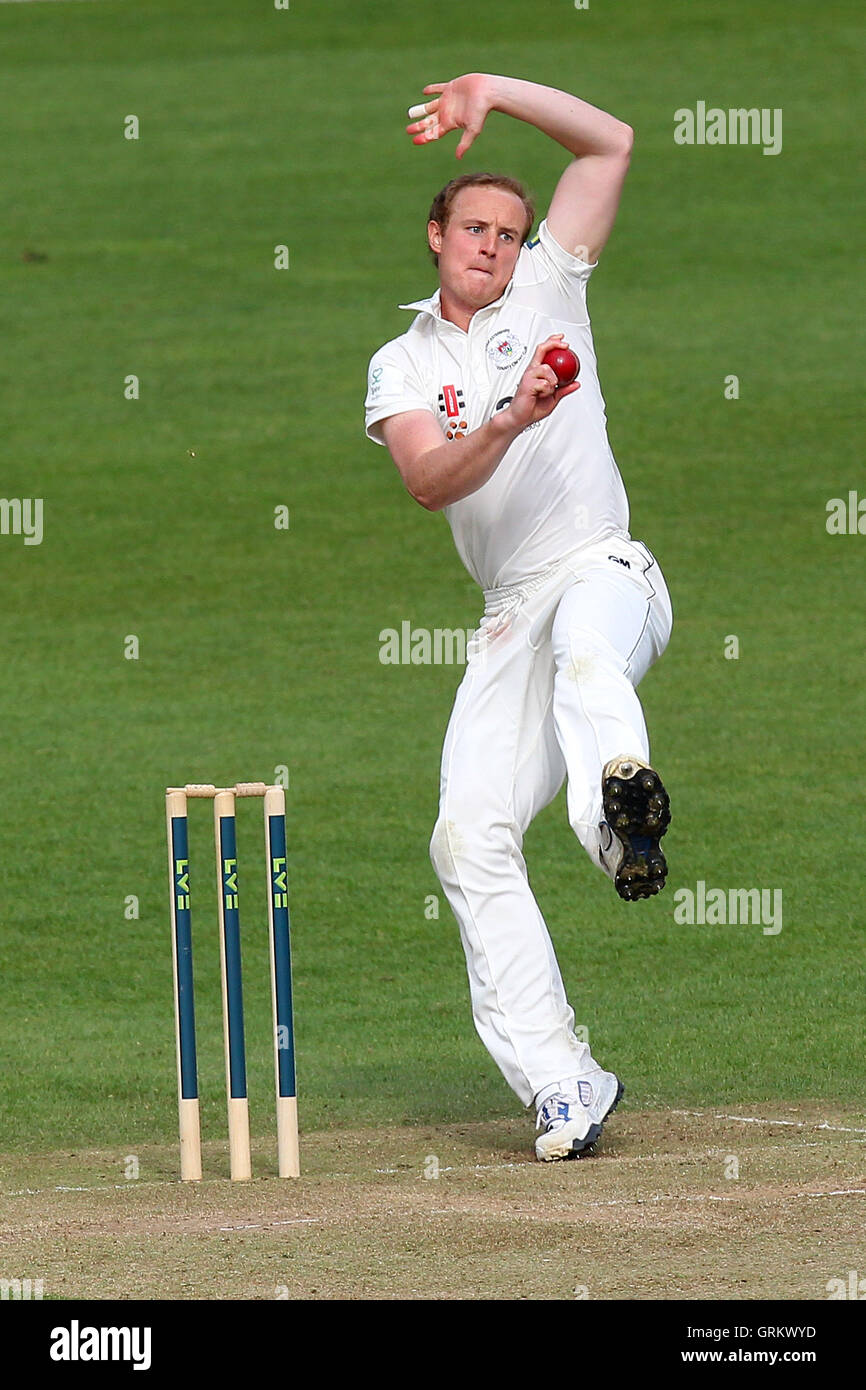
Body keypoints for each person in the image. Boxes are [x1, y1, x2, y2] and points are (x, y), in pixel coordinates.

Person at [364, 73, 672, 1162]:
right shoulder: (399, 364)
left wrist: (494, 88)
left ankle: (620, 824)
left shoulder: (551, 289)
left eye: (509, 231)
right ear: (435, 235)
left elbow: (612, 143)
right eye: (475, 229)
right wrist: (508, 419)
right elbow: (429, 481)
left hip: (602, 566)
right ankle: (563, 1082)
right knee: (466, 837)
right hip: (506, 615)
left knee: (592, 652)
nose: (493, 246)